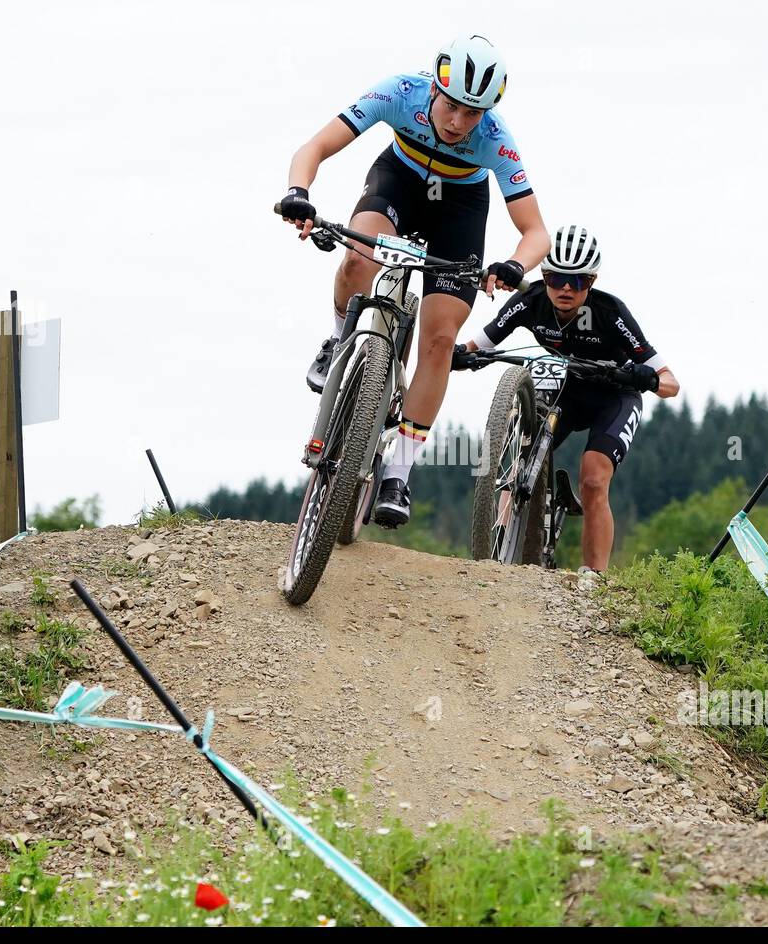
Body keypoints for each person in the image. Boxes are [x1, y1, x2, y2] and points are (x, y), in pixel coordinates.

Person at [279, 35, 550, 527]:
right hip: (397, 181)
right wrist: (298, 192)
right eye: (452, 107)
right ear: (434, 86)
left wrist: (514, 264)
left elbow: (536, 232)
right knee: (358, 259)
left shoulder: (495, 137)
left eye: (473, 114)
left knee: (441, 337)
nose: (458, 122)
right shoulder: (400, 91)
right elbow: (315, 146)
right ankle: (339, 340)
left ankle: (398, 473)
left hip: (461, 211)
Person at [454, 225, 680, 583]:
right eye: (556, 278)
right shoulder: (531, 302)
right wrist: (455, 357)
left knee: (592, 478)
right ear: (543, 276)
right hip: (566, 389)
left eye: (576, 282)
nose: (564, 289)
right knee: (519, 457)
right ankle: (498, 537)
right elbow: (480, 342)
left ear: (590, 282)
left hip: (614, 397)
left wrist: (647, 378)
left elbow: (671, 384)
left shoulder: (611, 312)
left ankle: (595, 577)